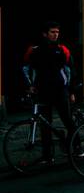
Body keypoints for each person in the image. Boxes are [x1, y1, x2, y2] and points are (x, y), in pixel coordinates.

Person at [22, 21, 77, 161]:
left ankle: (76, 148)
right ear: (45, 34)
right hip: (43, 91)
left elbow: (70, 70)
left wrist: (71, 91)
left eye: (57, 32)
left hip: (60, 91)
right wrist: (29, 85)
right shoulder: (34, 50)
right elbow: (26, 69)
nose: (55, 34)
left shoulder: (62, 49)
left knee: (68, 120)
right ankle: (47, 155)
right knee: (45, 124)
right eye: (52, 32)